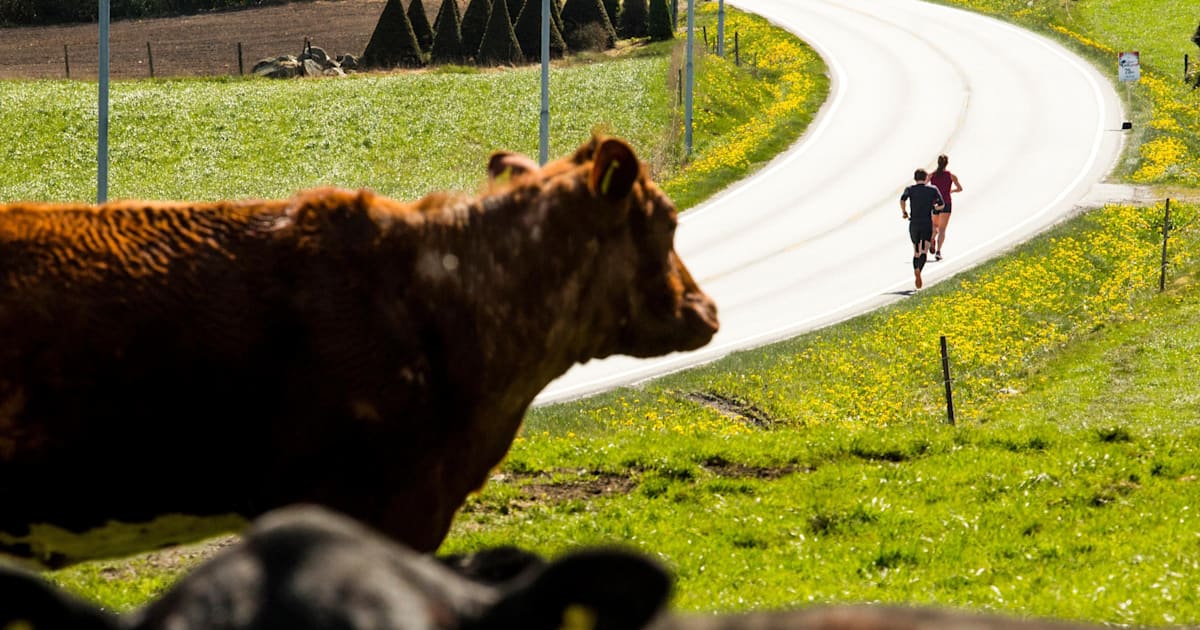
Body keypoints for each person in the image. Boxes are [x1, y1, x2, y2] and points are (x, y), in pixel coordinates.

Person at [899, 168, 944, 289]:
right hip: (926, 223)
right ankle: (919, 270)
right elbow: (941, 204)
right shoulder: (932, 189)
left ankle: (916, 269)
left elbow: (902, 199)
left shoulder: (910, 189)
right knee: (924, 251)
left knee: (916, 251)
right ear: (926, 178)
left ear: (915, 178)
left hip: (914, 223)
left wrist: (904, 212)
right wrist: (934, 207)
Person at [928, 154, 962, 260]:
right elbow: (960, 188)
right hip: (946, 202)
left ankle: (932, 239)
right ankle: (938, 251)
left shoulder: (931, 175)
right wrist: (951, 191)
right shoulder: (951, 176)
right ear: (947, 163)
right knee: (942, 229)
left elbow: (924, 185)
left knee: (934, 226)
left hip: (935, 203)